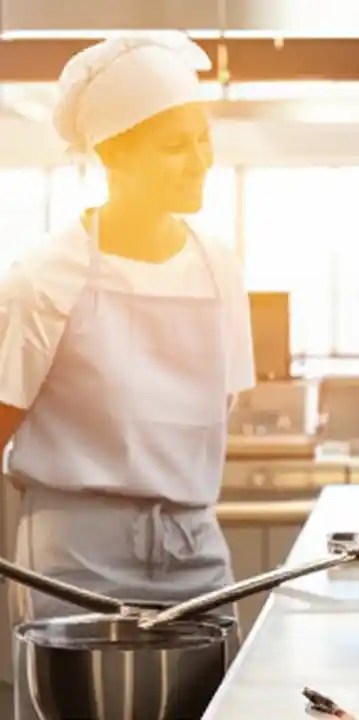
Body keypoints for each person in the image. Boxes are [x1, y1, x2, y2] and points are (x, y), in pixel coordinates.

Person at [0, 32, 255, 621]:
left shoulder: (220, 269)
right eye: (174, 146)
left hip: (198, 559)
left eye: (203, 138)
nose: (200, 161)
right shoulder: (43, 278)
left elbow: (222, 405)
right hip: (74, 566)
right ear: (114, 155)